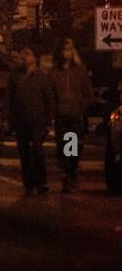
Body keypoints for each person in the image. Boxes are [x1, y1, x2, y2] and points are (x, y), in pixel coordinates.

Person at [5, 47, 54, 195]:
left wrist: (47, 120)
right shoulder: (14, 76)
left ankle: (41, 181)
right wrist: (8, 117)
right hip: (20, 120)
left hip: (37, 120)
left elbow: (48, 99)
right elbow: (8, 97)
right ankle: (29, 184)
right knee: (24, 153)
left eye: (28, 55)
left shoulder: (41, 76)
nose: (24, 58)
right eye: (23, 55)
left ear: (34, 58)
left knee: (38, 150)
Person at [49, 37, 92, 191]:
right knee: (62, 145)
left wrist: (80, 106)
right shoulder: (54, 72)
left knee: (72, 145)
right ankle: (65, 173)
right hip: (61, 115)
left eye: (70, 48)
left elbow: (88, 93)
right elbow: (50, 93)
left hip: (74, 114)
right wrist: (55, 108)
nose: (68, 52)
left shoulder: (79, 71)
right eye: (65, 49)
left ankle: (71, 171)